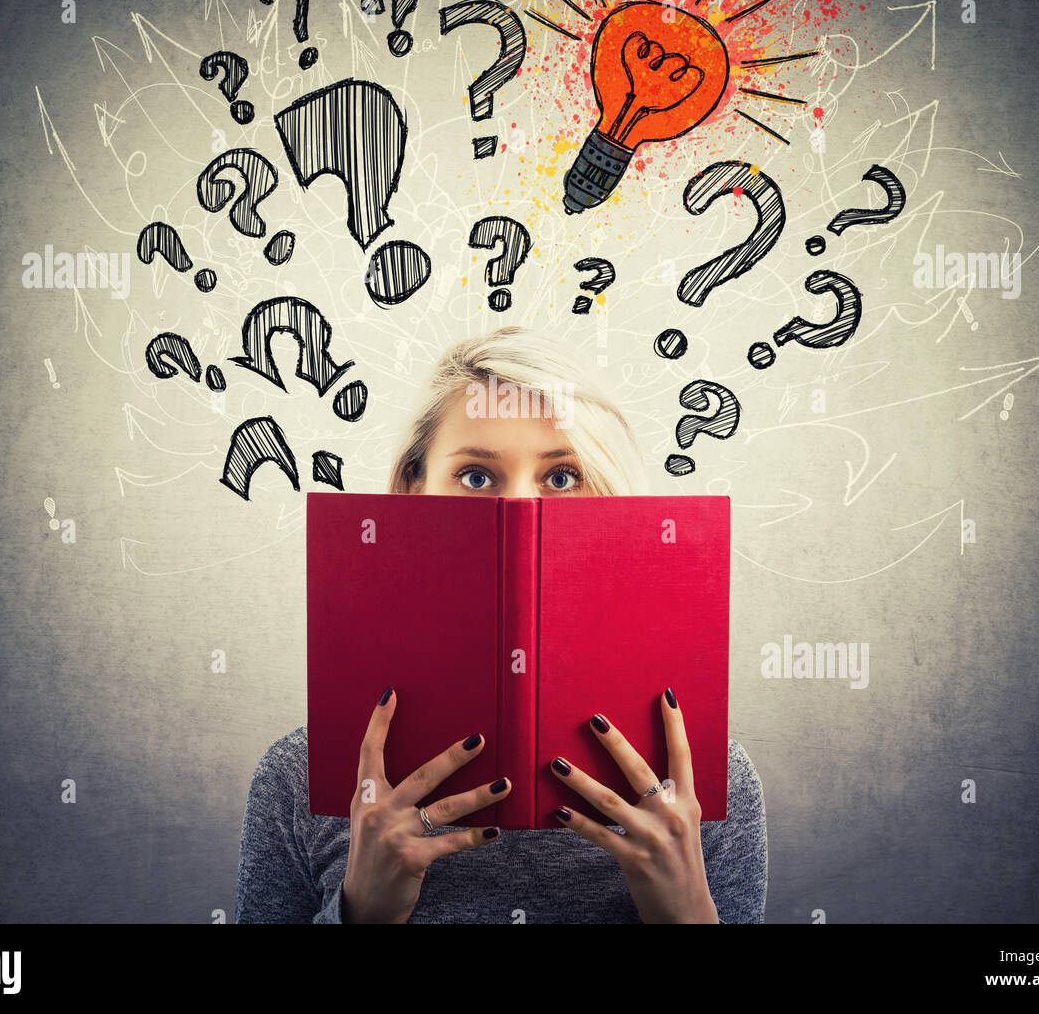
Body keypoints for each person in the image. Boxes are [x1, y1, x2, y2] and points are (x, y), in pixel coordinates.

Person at [235, 326, 767, 923]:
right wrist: (361, 911)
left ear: (613, 498)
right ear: (412, 490)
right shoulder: (299, 780)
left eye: (562, 476)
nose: (520, 510)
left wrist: (689, 914)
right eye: (477, 476)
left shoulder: (699, 787)